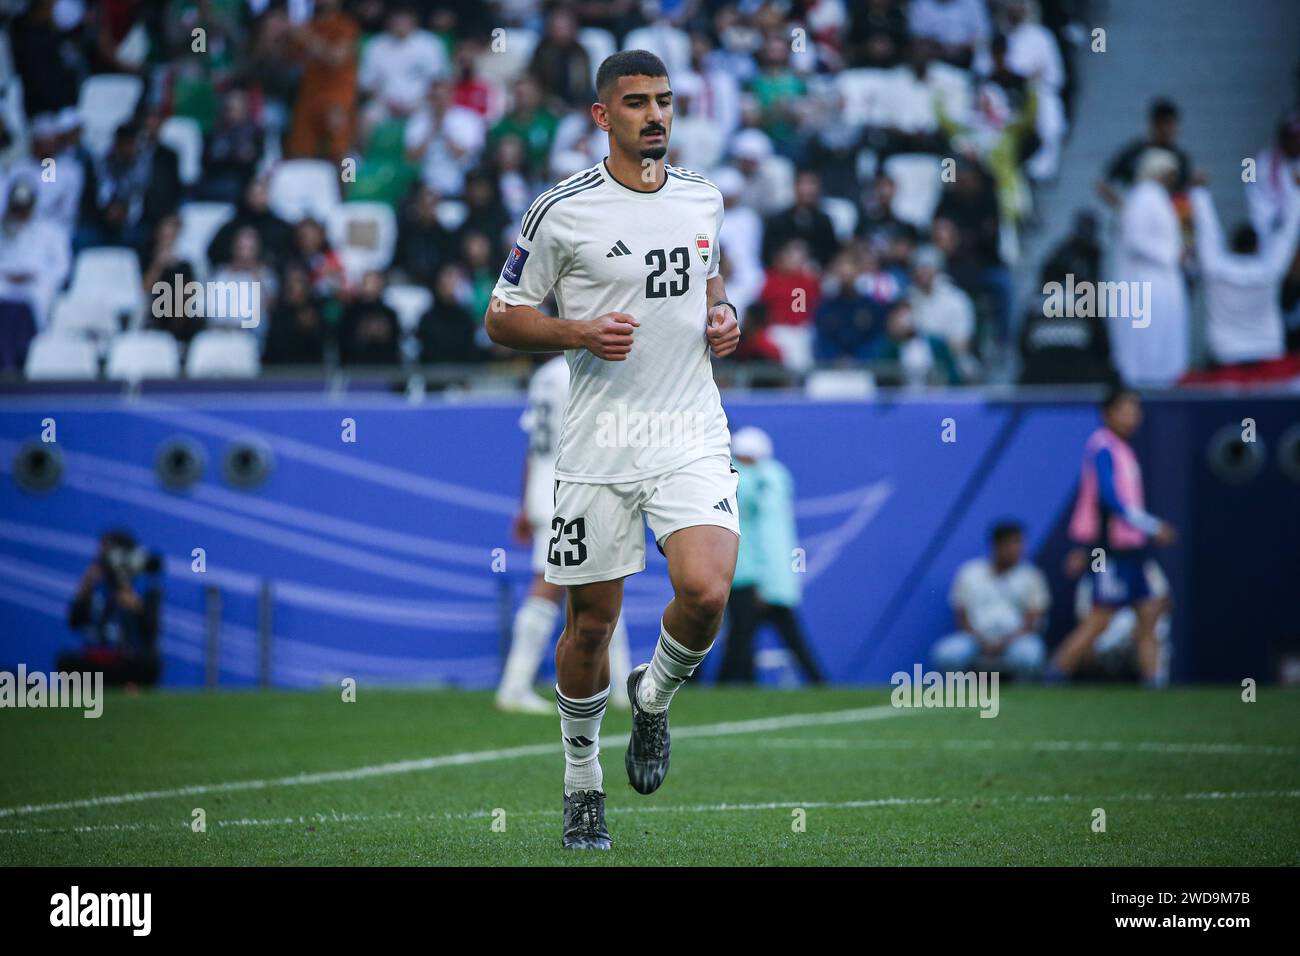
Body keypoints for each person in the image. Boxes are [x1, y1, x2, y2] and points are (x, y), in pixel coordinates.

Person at [485, 51, 742, 850]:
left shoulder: (706, 198)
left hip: (689, 429)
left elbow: (710, 285)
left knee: (704, 591)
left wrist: (725, 317)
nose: (655, 115)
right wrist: (574, 330)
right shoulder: (560, 212)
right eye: (636, 103)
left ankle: (655, 698)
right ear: (604, 117)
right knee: (590, 627)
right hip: (599, 442)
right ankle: (582, 784)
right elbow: (500, 318)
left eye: (664, 101)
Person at [496, 355, 632, 714]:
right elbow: (595, 432)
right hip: (573, 488)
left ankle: (618, 687)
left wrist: (526, 502)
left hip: (548, 486)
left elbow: (534, 444)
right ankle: (514, 685)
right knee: (558, 581)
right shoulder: (580, 366)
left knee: (601, 581)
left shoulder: (544, 373)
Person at [1049, 387, 1177, 687]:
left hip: (1132, 552)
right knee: (1099, 620)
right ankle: (1053, 676)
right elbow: (1109, 499)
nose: (1132, 417)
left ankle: (1154, 684)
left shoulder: (1123, 449)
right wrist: (1151, 526)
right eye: (1125, 410)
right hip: (1109, 552)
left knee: (1150, 614)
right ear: (1107, 414)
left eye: (1136, 410)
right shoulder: (1101, 446)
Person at [718, 427, 824, 684]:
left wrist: (762, 579)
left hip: (748, 573)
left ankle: (733, 681)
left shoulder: (746, 481)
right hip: (767, 575)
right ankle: (816, 682)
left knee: (741, 634)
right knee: (748, 634)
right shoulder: (776, 478)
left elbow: (760, 536)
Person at [1190, 168, 1300, 367]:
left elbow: (1207, 232)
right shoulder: (1271, 269)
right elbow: (1287, 235)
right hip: (1267, 352)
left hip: (1225, 354)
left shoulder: (1216, 269)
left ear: (1231, 245)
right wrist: (1296, 191)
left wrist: (1199, 192)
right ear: (1258, 246)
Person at [929, 521, 1048, 681]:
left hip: (1016, 640)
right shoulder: (970, 572)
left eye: (1020, 543)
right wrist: (982, 641)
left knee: (1029, 656)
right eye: (1013, 543)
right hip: (975, 639)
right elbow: (961, 617)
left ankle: (1022, 697)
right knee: (947, 655)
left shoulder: (1031, 576)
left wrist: (1006, 641)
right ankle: (958, 699)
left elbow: (1032, 619)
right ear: (997, 545)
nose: (1018, 549)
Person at [1109, 148, 1189, 386]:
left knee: (1162, 343)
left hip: (1162, 282)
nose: (1173, 178)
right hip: (1146, 282)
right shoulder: (1143, 196)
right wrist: (1172, 255)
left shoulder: (1158, 197)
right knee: (1145, 343)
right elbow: (1135, 240)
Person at [60, 529, 162, 688]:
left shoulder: (143, 588)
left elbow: (151, 634)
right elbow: (74, 622)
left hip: (126, 661)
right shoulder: (95, 585)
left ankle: (132, 688)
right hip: (95, 659)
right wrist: (85, 588)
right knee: (66, 662)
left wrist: (136, 606)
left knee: (151, 664)